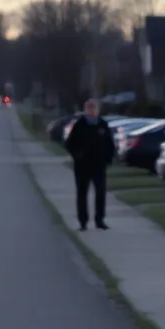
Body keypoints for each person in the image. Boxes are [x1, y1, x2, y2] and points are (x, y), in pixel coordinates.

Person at [63, 98, 115, 231]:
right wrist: (77, 155)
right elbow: (69, 144)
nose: (92, 111)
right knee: (82, 193)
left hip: (99, 165)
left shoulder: (102, 125)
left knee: (100, 193)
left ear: (97, 110)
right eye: (89, 108)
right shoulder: (79, 125)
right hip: (82, 166)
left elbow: (110, 144)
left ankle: (100, 220)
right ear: (85, 110)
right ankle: (83, 221)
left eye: (94, 108)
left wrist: (108, 159)